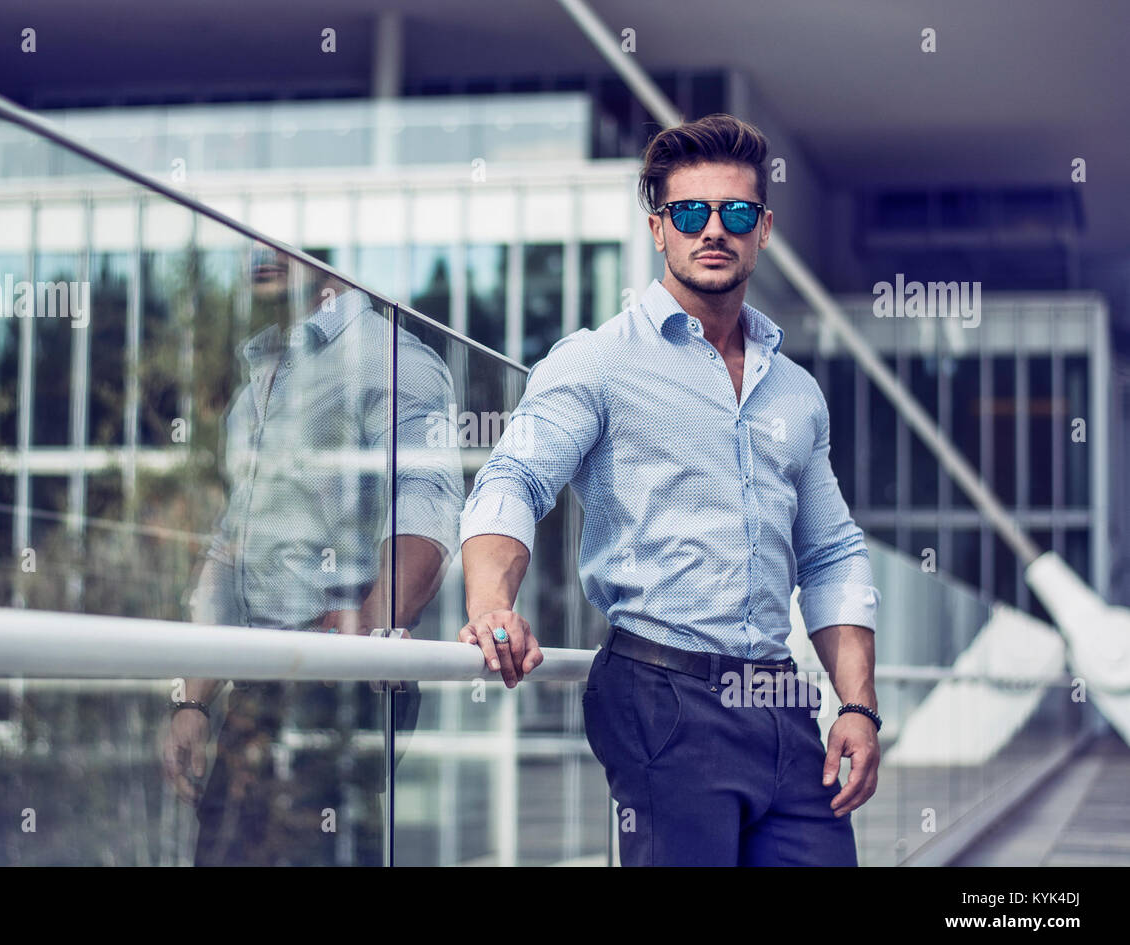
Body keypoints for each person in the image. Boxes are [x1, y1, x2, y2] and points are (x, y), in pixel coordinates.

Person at [456, 113, 882, 866]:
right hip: (662, 695)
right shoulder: (596, 363)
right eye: (690, 212)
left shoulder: (795, 391)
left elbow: (831, 552)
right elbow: (513, 479)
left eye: (735, 212)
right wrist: (493, 604)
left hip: (783, 704)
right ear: (659, 229)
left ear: (764, 229)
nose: (713, 228)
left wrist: (858, 704)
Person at [161, 246, 464, 865]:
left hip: (338, 680)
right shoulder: (267, 378)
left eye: (283, 237)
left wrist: (374, 627)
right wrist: (192, 698)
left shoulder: (390, 359)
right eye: (249, 240)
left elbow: (428, 499)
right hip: (258, 676)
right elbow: (232, 545)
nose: (257, 254)